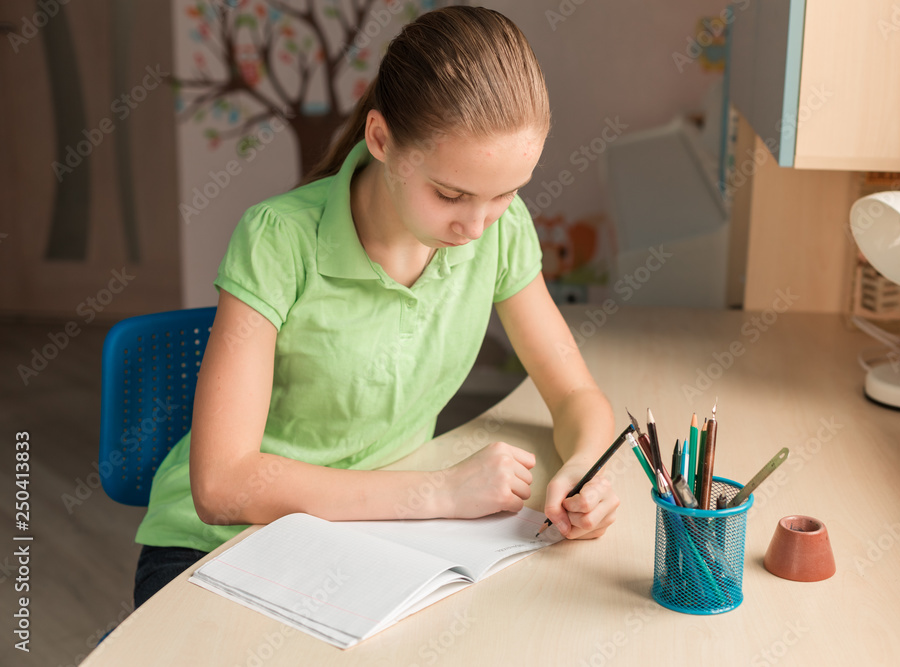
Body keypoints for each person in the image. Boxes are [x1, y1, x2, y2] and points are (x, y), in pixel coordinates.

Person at [132, 6, 617, 609]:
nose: (475, 226)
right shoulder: (277, 239)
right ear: (382, 140)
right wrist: (437, 493)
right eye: (449, 194)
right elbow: (222, 485)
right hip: (216, 548)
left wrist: (585, 472)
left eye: (505, 194)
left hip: (366, 539)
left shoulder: (500, 230)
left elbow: (575, 395)